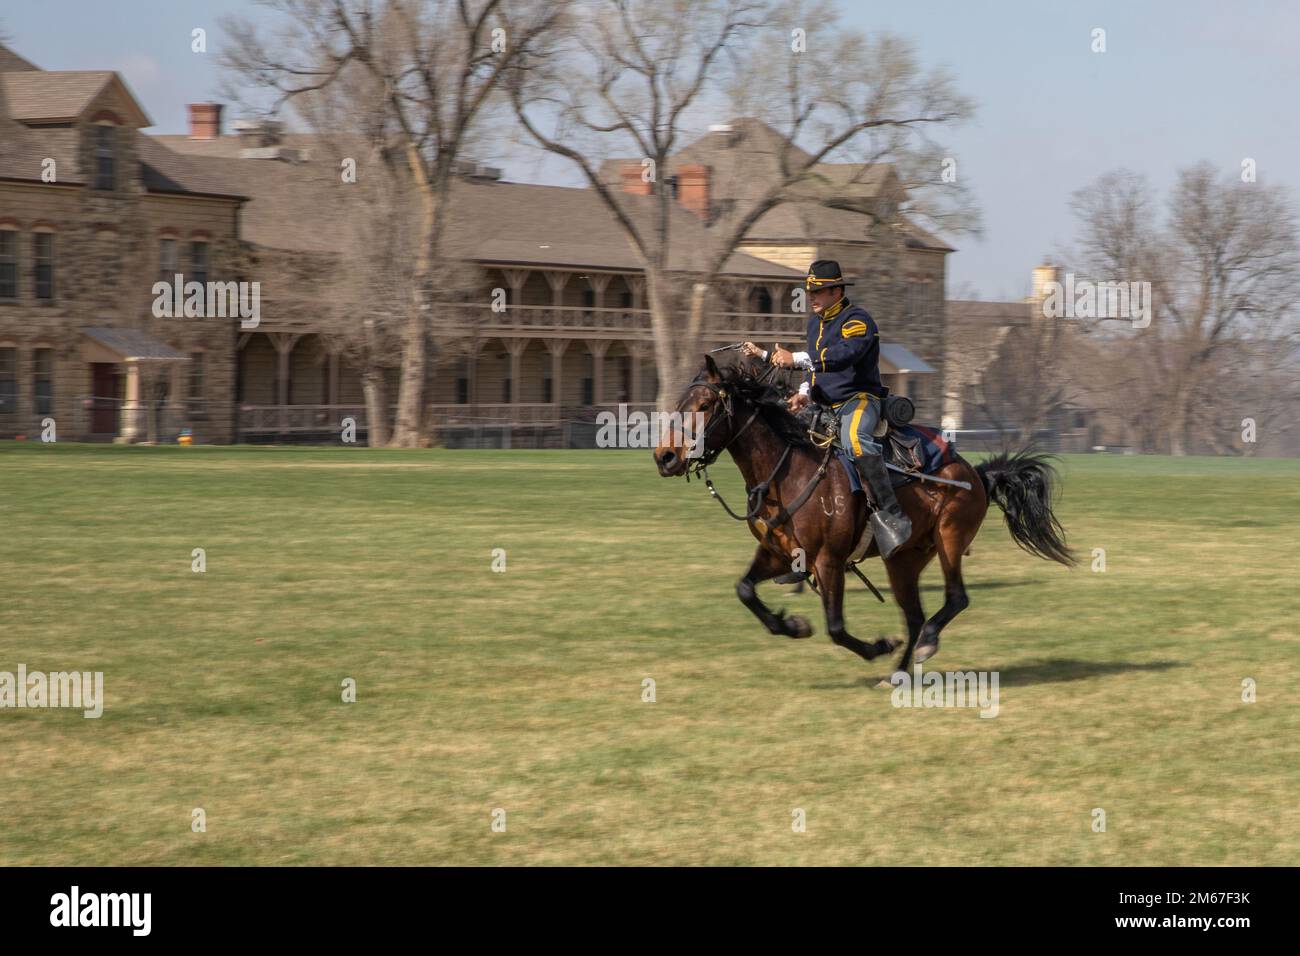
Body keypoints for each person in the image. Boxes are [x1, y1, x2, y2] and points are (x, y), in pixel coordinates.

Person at [741, 259, 912, 558]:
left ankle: (892, 513)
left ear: (837, 291)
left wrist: (793, 359)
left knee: (856, 441)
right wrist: (805, 393)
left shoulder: (857, 320)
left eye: (818, 291)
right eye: (810, 292)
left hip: (859, 401)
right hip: (822, 405)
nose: (812, 298)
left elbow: (842, 356)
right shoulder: (814, 324)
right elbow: (815, 369)